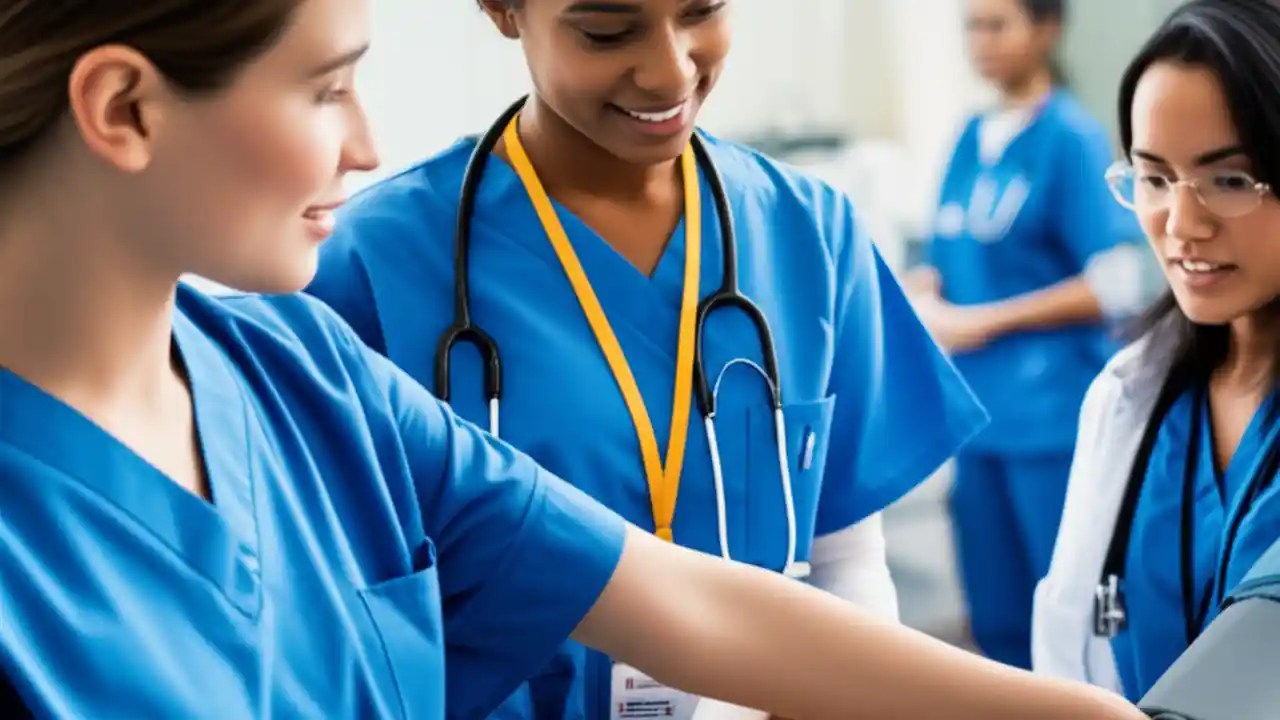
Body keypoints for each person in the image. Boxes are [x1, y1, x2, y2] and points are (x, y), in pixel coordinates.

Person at [0, 1, 1149, 719]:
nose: (367, 143)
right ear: (125, 108)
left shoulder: (303, 378)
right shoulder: (364, 279)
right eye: (327, 88)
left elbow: (681, 599)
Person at [306, 0, 990, 716]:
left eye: (703, 10)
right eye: (607, 32)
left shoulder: (809, 232)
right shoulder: (369, 264)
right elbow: (334, 612)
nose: (670, 73)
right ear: (503, 10)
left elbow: (843, 558)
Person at [1033, 0, 1280, 702]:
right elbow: (1064, 653)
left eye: (1230, 180)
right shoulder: (1129, 396)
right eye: (1154, 178)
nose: (1181, 224)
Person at [905, 0, 1141, 671]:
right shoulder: (969, 137)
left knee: (1066, 615)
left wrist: (984, 321)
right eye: (971, 26)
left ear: (1046, 30)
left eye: (997, 25)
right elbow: (947, 255)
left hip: (1049, 419)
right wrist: (920, 290)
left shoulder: (1070, 138)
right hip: (977, 418)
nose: (980, 42)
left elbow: (1114, 283)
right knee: (996, 614)